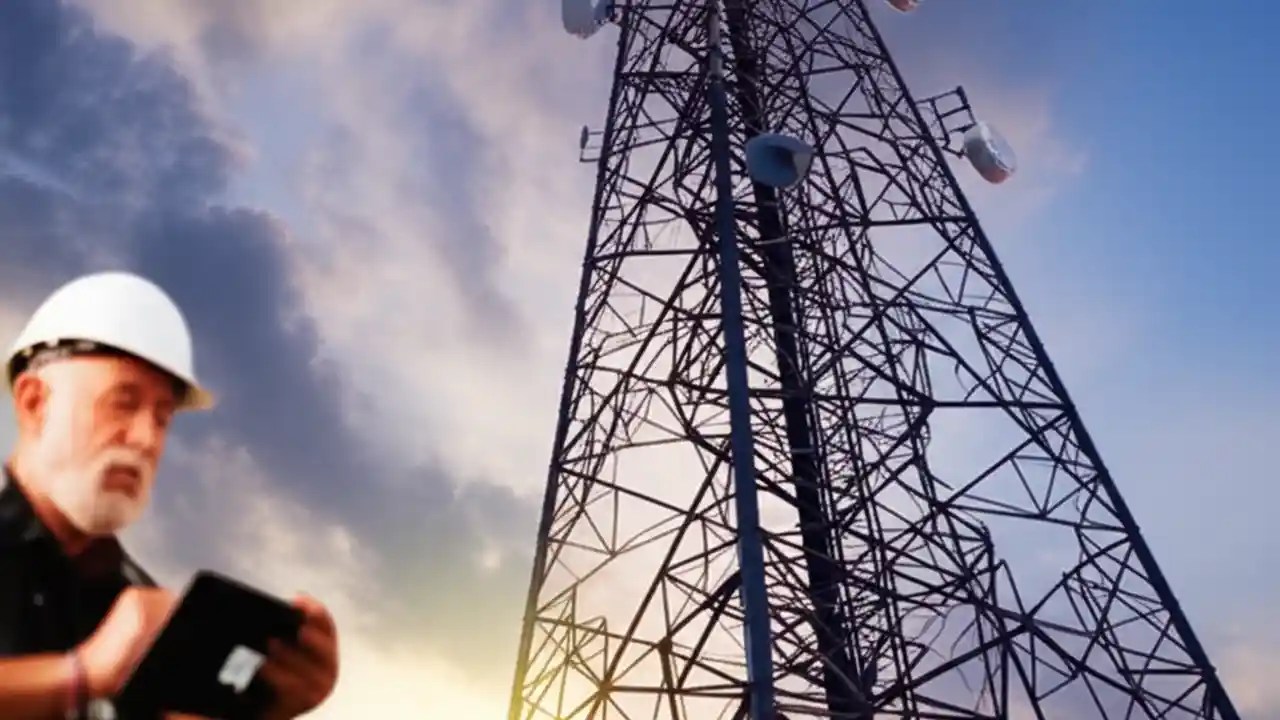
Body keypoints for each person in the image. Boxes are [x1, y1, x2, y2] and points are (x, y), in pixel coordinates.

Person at [0, 272, 340, 719]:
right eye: (123, 402)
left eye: (162, 418)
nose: (146, 438)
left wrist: (261, 709)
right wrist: (80, 675)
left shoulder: (142, 610)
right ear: (33, 403)